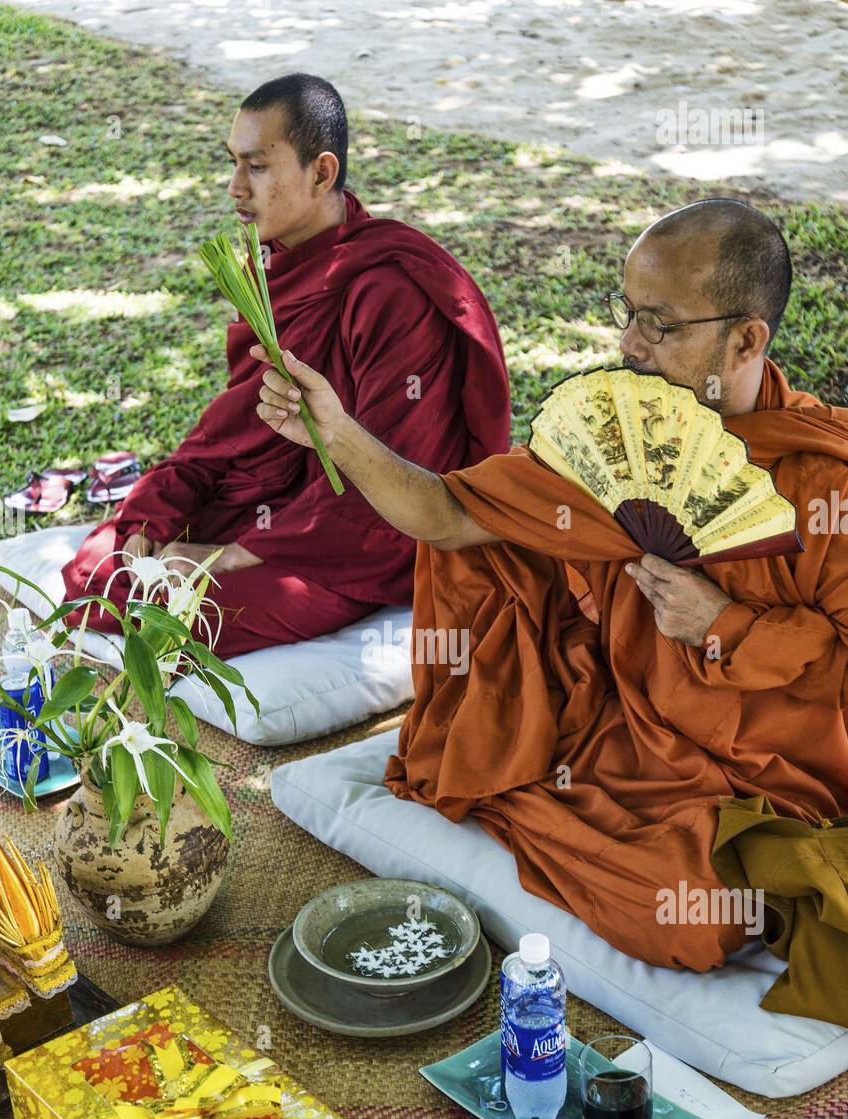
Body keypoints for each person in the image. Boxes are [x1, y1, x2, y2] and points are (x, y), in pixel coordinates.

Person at [253, 198, 848, 988]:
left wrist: (726, 623)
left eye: (660, 325)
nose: (629, 345)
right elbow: (446, 514)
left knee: (698, 919)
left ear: (745, 338)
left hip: (770, 774)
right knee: (491, 581)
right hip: (618, 728)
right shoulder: (617, 435)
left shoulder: (822, 482)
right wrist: (335, 431)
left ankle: (523, 794)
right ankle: (513, 777)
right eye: (626, 313)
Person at [61, 73, 510, 659]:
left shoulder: (391, 290)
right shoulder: (279, 270)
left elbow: (399, 477)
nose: (234, 187)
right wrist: (153, 516)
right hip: (274, 505)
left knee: (184, 615)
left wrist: (238, 553)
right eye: (233, 163)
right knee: (103, 571)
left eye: (258, 167)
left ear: (322, 172)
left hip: (359, 538)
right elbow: (229, 439)